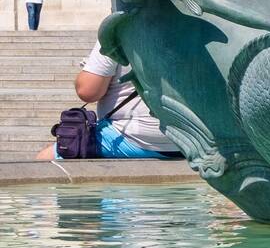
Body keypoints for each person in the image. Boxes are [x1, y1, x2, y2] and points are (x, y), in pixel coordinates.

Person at [37, 41, 181, 161]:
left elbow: (87, 92)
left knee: (45, 158)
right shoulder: (199, 27)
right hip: (193, 139)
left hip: (137, 136)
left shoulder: (118, 30)